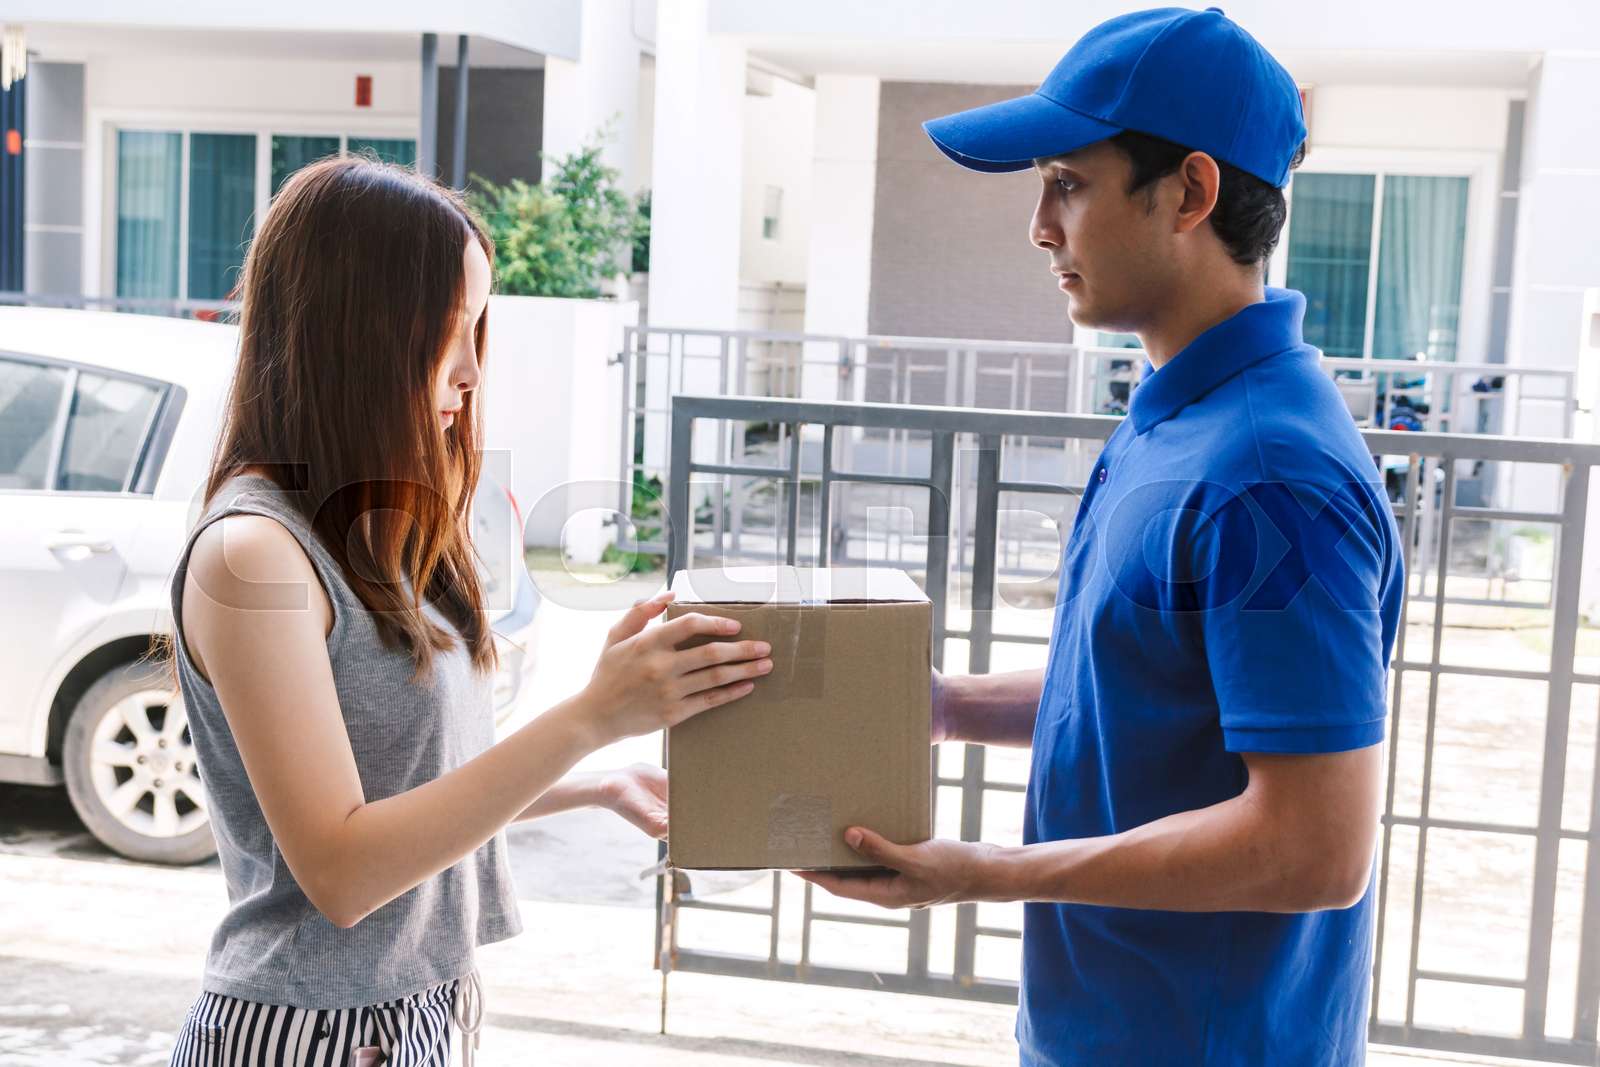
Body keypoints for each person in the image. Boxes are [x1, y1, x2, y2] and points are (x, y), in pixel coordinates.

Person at [798, 8, 1403, 1065]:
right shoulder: (1176, 413)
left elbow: (1311, 848)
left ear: (1191, 192)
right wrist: (937, 704)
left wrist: (983, 869)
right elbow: (1145, 690)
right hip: (1104, 1027)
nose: (1038, 225)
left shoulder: (1270, 473)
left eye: (1067, 184)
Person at [164, 156, 774, 1066]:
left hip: (407, 1022)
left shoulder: (358, 526)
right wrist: (591, 715)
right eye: (451, 329)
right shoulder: (251, 553)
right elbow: (341, 867)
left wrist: (594, 777)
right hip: (304, 1036)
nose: (469, 371)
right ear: (361, 334)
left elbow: (406, 789)